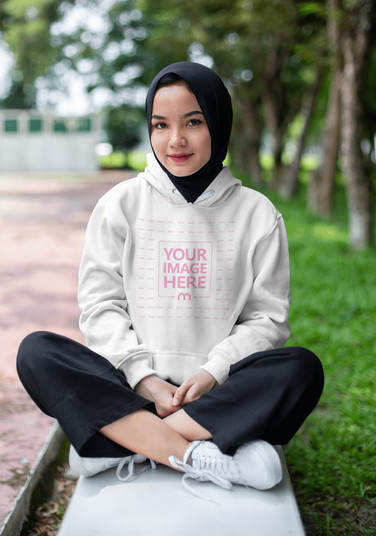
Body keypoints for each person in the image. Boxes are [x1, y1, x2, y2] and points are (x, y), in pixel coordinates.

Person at [17, 61, 324, 495]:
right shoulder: (119, 204)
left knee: (301, 369)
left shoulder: (259, 214)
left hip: (217, 392)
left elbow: (267, 320)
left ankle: (122, 440)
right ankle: (197, 454)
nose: (175, 140)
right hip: (132, 386)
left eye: (193, 122)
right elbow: (101, 306)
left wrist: (214, 371)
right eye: (160, 125)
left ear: (219, 123)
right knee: (38, 352)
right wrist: (145, 379)